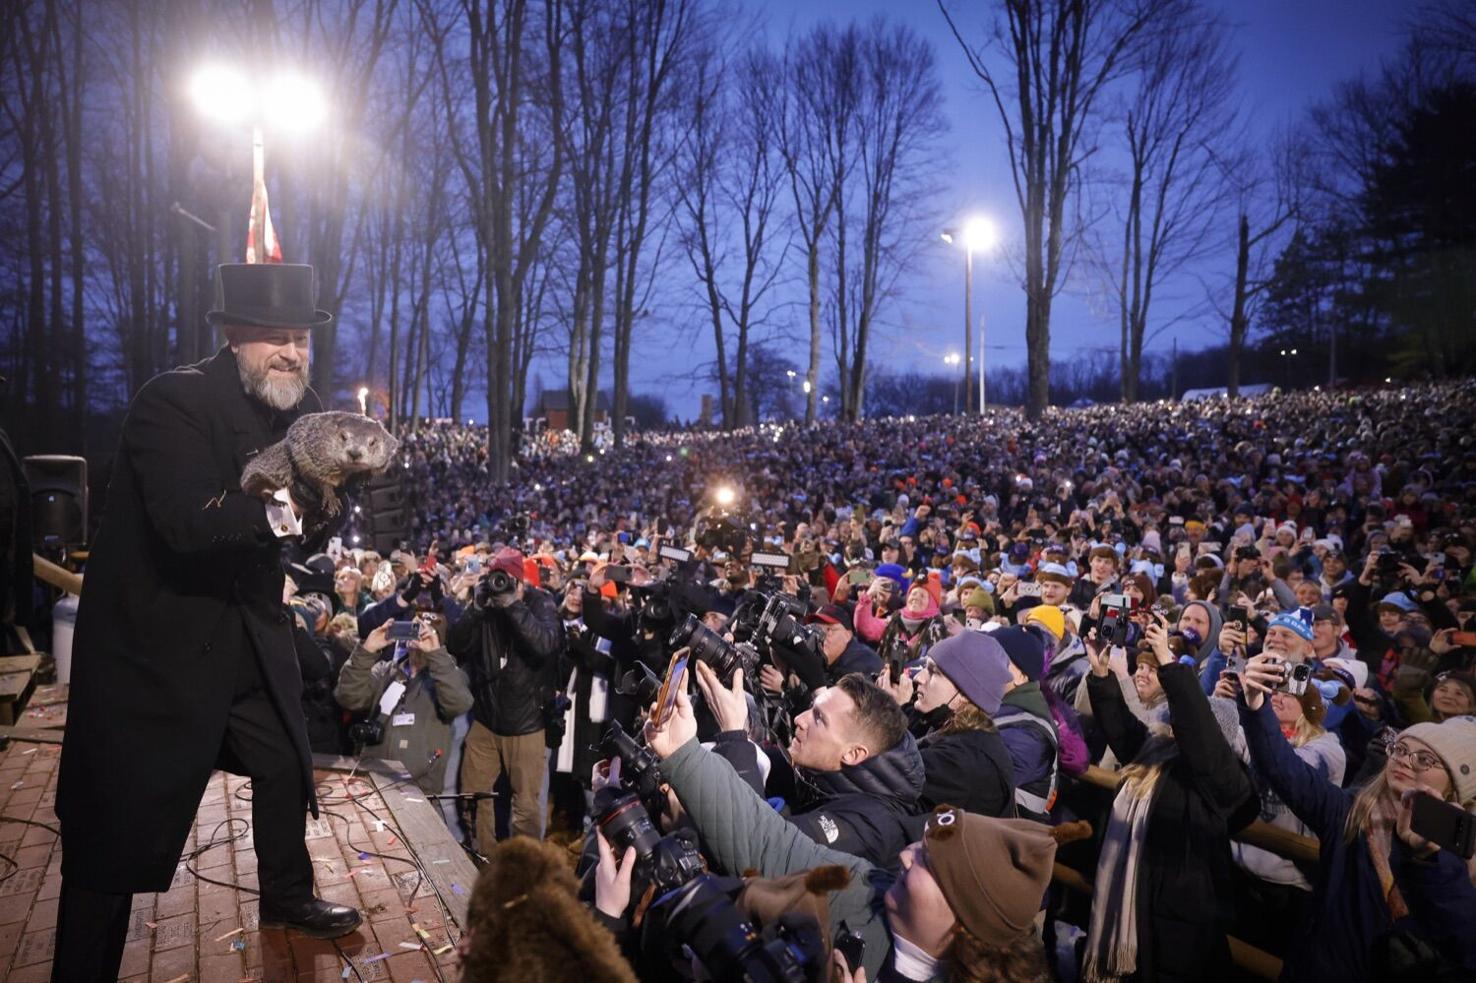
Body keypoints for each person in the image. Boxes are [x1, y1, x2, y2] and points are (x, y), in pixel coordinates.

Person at [55, 264, 362, 982]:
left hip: (245, 634)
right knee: (116, 830)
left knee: (286, 758)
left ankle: (286, 894)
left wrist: (332, 506)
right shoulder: (173, 401)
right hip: (151, 649)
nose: (291, 351)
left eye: (300, 337)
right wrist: (290, 510)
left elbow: (301, 530)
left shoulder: (303, 413)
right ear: (233, 337)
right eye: (273, 338)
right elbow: (186, 523)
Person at [640, 678, 1060, 981]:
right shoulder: (868, 888)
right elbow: (772, 845)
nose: (905, 855)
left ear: (963, 918)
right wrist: (683, 753)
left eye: (927, 862)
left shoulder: (874, 828)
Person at [1237, 655, 1476, 980]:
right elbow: (1283, 769)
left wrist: (1430, 861)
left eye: (1425, 759)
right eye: (1401, 749)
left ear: (1453, 785)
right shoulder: (1350, 812)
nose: (1406, 761)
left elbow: (1464, 945)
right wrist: (1254, 703)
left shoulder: (1461, 855)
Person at [1082, 618, 1257, 982]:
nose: (1174, 730)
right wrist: (1101, 675)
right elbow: (1123, 729)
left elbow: (1200, 735)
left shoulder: (1224, 778)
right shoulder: (1156, 753)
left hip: (1177, 925)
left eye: (1183, 725)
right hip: (1139, 907)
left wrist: (1168, 661)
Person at [696, 662, 923, 869]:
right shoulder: (823, 777)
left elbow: (762, 855)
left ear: (853, 753)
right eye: (811, 708)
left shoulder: (870, 829)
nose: (799, 719)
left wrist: (734, 734)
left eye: (818, 718)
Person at [448, 547, 564, 847]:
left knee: (525, 807)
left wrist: (513, 605)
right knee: (473, 797)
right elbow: (457, 645)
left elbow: (545, 644)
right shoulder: (485, 607)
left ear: (522, 584)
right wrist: (474, 608)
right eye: (496, 578)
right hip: (486, 721)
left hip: (526, 724)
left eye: (508, 580)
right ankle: (485, 865)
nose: (501, 586)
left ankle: (522, 872)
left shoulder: (541, 604)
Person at [880, 630, 1018, 821]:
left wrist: (889, 714)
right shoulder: (945, 724)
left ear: (965, 694)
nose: (919, 678)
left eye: (933, 672)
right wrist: (898, 706)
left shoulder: (963, 761)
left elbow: (886, 780)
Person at [334, 616, 475, 797]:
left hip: (420, 788)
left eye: (425, 631)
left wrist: (436, 655)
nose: (418, 635)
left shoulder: (448, 676)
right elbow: (348, 697)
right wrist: (367, 650)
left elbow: (459, 703)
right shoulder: (385, 671)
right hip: (373, 779)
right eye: (414, 628)